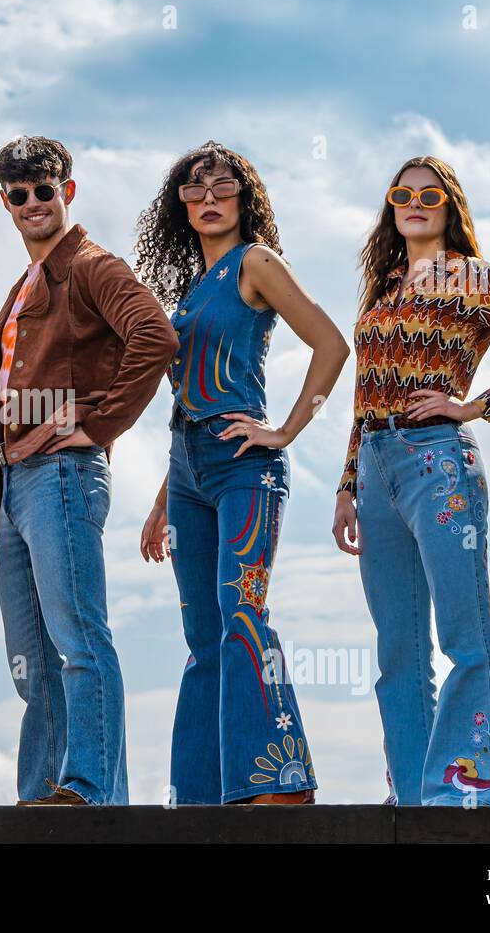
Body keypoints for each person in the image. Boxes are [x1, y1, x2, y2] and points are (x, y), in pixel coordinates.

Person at [330, 155, 490, 806]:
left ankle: (471, 790)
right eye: (401, 193)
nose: (414, 202)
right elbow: (363, 390)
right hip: (377, 471)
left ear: (449, 205)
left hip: (439, 462)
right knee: (397, 650)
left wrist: (474, 405)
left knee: (462, 634)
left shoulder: (470, 277)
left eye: (428, 194)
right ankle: (412, 794)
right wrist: (347, 484)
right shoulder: (385, 287)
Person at [0, 135, 178, 805]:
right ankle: (42, 796)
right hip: (15, 491)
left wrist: (95, 426)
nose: (32, 203)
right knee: (33, 665)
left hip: (62, 477)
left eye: (44, 190)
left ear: (68, 193)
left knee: (80, 640)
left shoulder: (92, 267)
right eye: (19, 194)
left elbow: (156, 336)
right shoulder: (21, 289)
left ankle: (92, 792)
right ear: (6, 201)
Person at [137, 141, 348, 805]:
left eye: (220, 185)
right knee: (202, 638)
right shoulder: (189, 294)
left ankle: (280, 783)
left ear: (243, 196)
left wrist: (286, 428)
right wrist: (161, 502)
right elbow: (183, 402)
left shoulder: (256, 264)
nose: (206, 197)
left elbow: (331, 344)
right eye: (192, 189)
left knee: (242, 613)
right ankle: (201, 796)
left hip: (243, 468)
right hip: (186, 473)